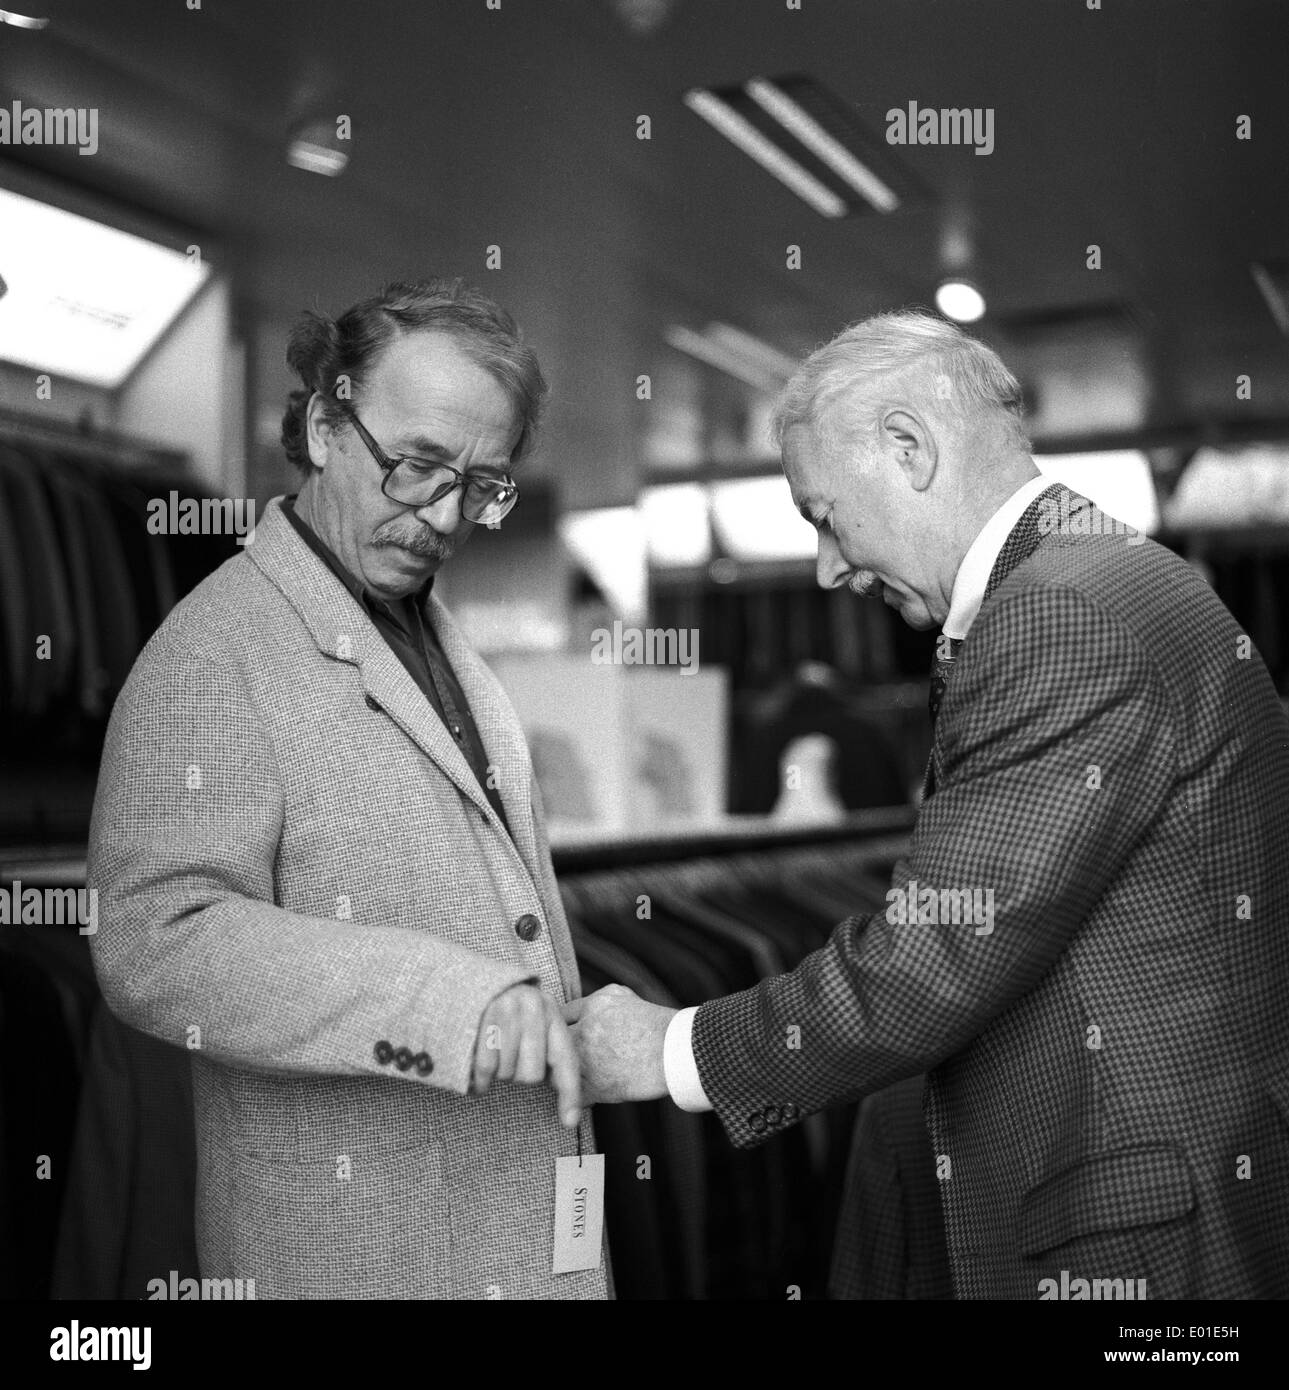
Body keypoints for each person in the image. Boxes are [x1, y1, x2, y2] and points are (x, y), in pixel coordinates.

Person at [567, 309, 1289, 1299]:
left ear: (906, 448)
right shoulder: (1103, 576)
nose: (828, 566)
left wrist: (668, 1047)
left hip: (1137, 1245)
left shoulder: (1058, 612)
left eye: (824, 515)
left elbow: (935, 957)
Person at [89, 278, 606, 1300]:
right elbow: (154, 936)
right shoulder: (210, 649)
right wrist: (447, 996)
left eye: (483, 485)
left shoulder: (442, 642)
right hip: (361, 1257)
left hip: (515, 1238)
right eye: (416, 466)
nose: (444, 516)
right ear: (326, 423)